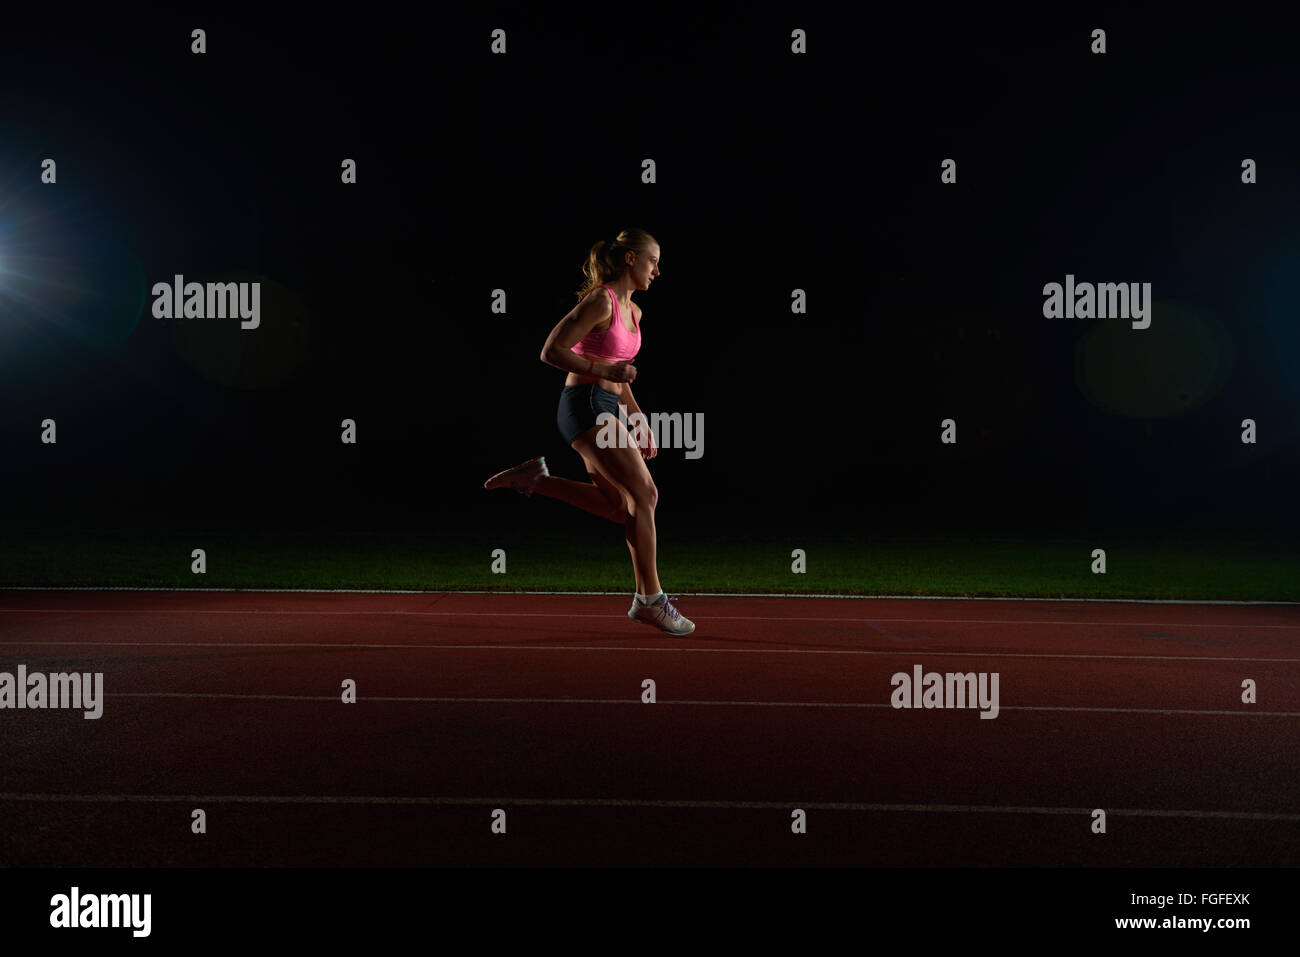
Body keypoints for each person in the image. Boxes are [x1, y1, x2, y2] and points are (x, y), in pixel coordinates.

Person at [483, 228, 694, 636]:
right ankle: (650, 600)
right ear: (630, 259)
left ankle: (537, 481)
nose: (658, 270)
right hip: (583, 405)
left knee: (620, 507)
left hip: (607, 406)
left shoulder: (635, 313)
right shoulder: (601, 300)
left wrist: (638, 419)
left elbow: (622, 376)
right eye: (653, 260)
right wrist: (603, 372)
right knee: (646, 494)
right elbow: (551, 351)